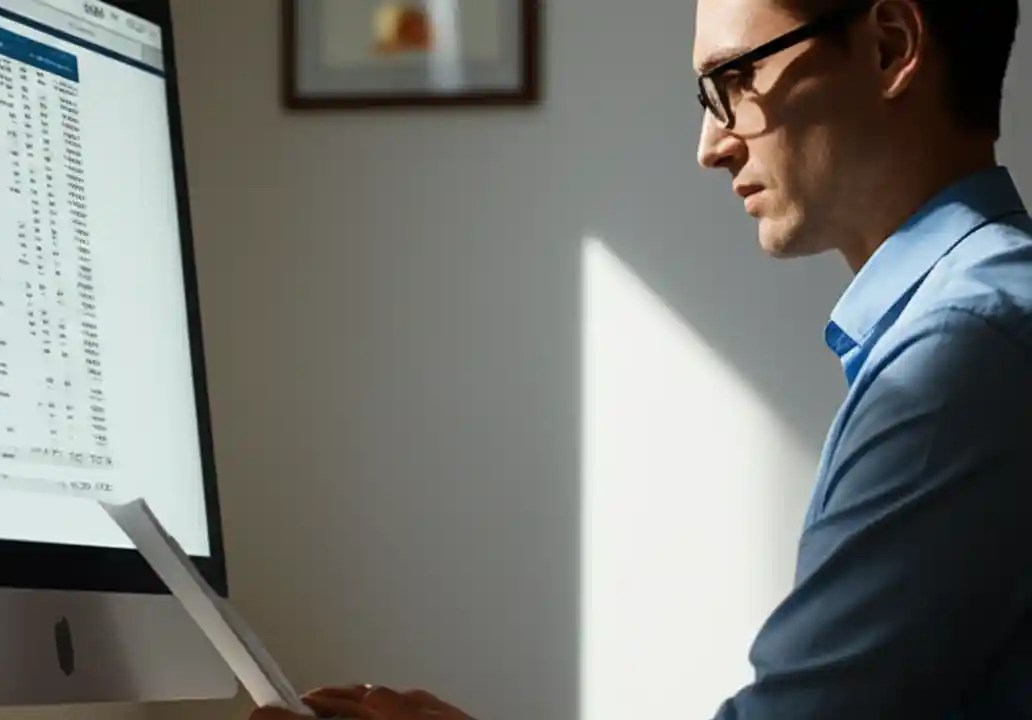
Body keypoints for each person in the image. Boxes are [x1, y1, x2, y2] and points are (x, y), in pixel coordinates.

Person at [252, 0, 1032, 716]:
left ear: (891, 47)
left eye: (734, 79)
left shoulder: (961, 351)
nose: (711, 145)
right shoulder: (972, 326)